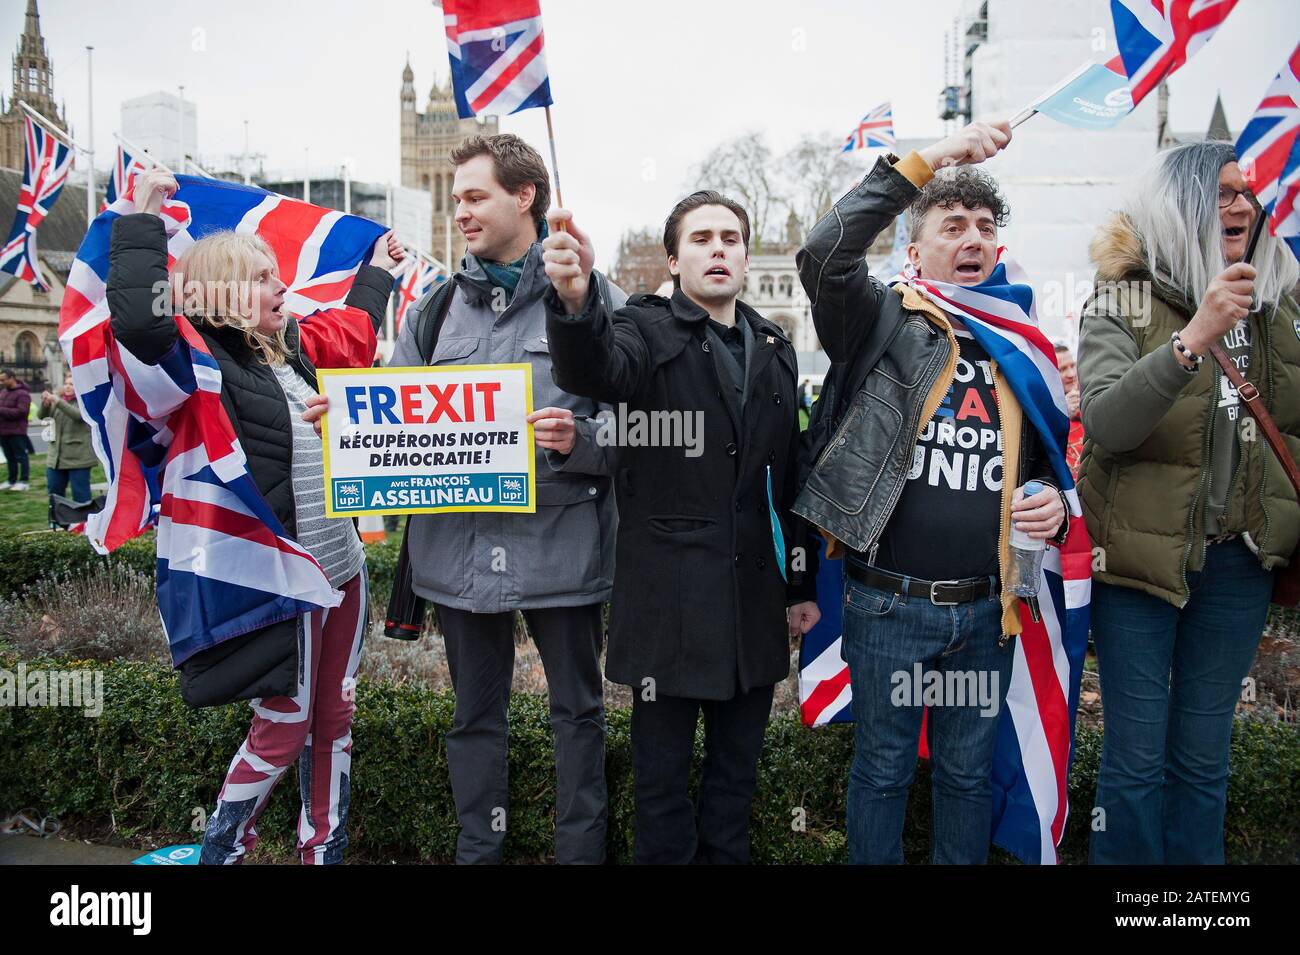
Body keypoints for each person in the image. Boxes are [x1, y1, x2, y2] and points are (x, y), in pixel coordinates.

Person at [309, 133, 626, 865]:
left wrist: (579, 439)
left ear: (525, 197)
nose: (461, 213)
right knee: (473, 717)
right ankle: (476, 851)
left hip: (563, 548)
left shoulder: (593, 298)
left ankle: (582, 852)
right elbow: (395, 412)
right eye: (456, 201)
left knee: (576, 714)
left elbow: (632, 426)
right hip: (457, 556)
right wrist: (348, 419)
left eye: (476, 196)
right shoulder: (434, 308)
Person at [792, 121, 1067, 864]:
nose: (972, 236)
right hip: (889, 603)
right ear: (915, 251)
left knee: (966, 776)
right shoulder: (880, 317)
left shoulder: (1023, 344)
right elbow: (823, 252)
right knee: (881, 772)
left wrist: (1051, 498)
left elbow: (1045, 461)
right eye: (953, 224)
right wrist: (933, 160)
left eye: (984, 226)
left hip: (986, 606)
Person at [108, 168, 400, 864]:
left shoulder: (294, 350)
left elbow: (352, 333)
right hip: (281, 581)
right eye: (265, 279)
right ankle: (224, 847)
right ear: (223, 292)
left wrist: (379, 272)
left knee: (336, 717)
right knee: (285, 722)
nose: (281, 289)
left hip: (343, 569)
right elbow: (141, 323)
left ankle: (321, 848)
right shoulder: (198, 359)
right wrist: (143, 216)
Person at [541, 191, 821, 864]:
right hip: (666, 611)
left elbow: (791, 481)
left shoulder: (778, 349)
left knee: (734, 788)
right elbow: (594, 366)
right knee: (661, 795)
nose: (717, 248)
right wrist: (575, 298)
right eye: (700, 238)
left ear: (748, 256)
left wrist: (800, 584)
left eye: (730, 237)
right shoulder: (643, 327)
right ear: (674, 257)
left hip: (752, 612)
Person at [1078, 140, 1300, 864]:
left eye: (1246, 191)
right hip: (1140, 563)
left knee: (1204, 763)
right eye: (1222, 192)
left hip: (1239, 564)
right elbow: (1108, 422)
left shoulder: (1281, 301)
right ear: (1182, 209)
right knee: (1136, 764)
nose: (1241, 204)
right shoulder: (1124, 296)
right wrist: (1193, 338)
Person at [40, 373, 97, 504]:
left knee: (80, 494)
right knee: (54, 492)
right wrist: (45, 404)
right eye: (66, 383)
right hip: (56, 457)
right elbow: (42, 416)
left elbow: (77, 415)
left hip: (79, 458)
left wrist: (58, 401)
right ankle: (57, 523)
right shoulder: (59, 401)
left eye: (71, 384)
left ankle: (83, 523)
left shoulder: (84, 400)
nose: (68, 387)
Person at [1054, 342, 1085, 478]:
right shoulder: (1045, 411)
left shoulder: (1091, 394)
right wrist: (1062, 414)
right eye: (1063, 369)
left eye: (1073, 366)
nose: (1071, 374)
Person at [0, 368, 32, 490]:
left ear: (12, 378)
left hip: (17, 431)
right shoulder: (3, 392)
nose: (1, 382)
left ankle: (24, 481)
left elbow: (22, 412)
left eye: (3, 380)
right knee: (10, 458)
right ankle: (11, 480)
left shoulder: (23, 394)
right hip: (3, 431)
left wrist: (1, 410)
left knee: (21, 456)